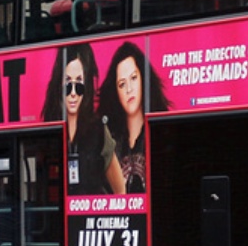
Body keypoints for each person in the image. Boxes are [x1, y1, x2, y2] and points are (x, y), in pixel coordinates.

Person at [41, 44, 125, 195]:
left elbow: (120, 190)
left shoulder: (98, 130)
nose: (73, 93)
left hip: (92, 216)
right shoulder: (49, 130)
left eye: (79, 83)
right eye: (68, 83)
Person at [98, 41, 170, 194]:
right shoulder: (110, 139)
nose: (129, 89)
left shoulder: (161, 131)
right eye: (122, 84)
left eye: (134, 78)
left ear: (144, 79)